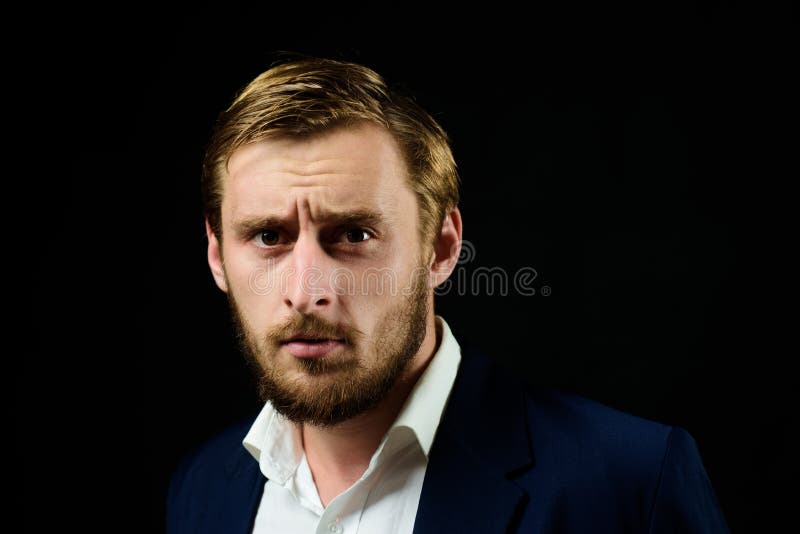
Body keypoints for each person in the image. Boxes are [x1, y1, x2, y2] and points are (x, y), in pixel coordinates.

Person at [166, 56, 730, 533]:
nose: (306, 291)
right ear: (217, 256)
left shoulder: (633, 482)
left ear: (440, 250)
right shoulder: (201, 489)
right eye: (268, 237)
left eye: (354, 234)